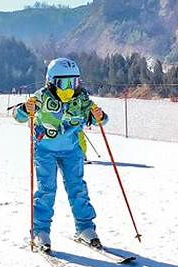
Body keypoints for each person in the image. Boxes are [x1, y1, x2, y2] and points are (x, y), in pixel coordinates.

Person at [13, 58, 108, 252]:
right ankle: (40, 231)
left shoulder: (81, 99)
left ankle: (85, 228)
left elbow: (100, 120)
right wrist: (24, 109)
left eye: (73, 83)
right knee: (46, 190)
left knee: (78, 189)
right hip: (45, 150)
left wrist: (100, 116)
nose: (69, 89)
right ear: (51, 82)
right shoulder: (41, 96)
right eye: (63, 83)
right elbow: (19, 116)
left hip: (72, 150)